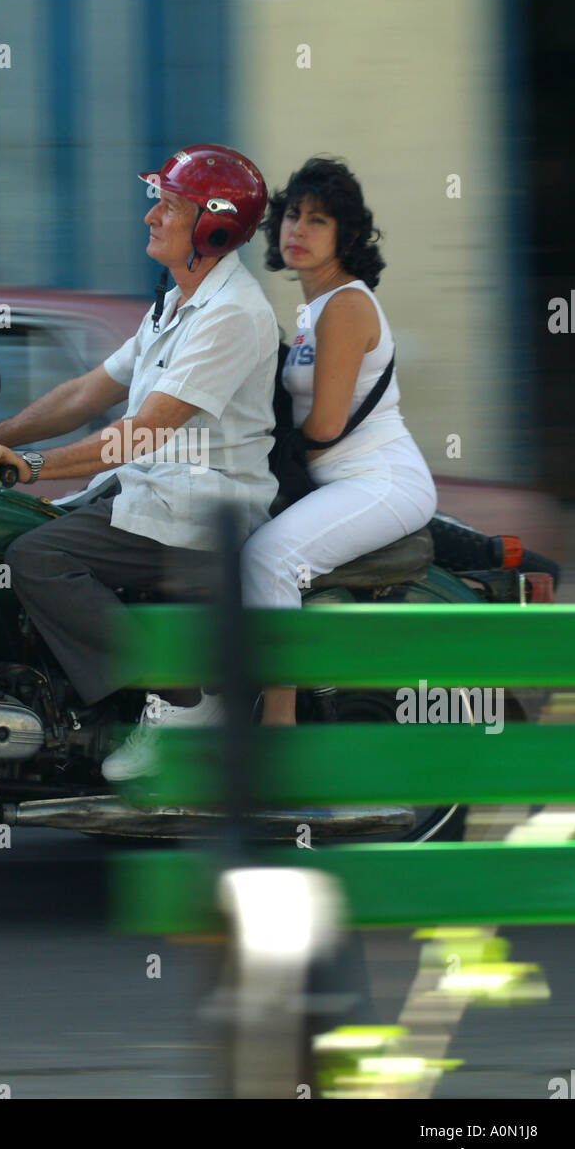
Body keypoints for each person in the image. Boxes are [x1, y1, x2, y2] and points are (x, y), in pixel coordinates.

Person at [0, 144, 279, 779]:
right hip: (149, 495)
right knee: (13, 531)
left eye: (168, 206)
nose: (150, 218)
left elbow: (144, 432)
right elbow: (86, 393)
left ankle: (186, 695)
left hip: (200, 511)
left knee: (39, 558)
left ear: (212, 226)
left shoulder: (232, 316)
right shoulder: (175, 304)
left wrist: (26, 464)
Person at [241, 156, 437, 725]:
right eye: (292, 216)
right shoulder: (314, 309)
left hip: (379, 481)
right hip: (340, 483)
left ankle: (278, 730)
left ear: (345, 234)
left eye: (318, 220)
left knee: (268, 558)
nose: (298, 230)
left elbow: (324, 427)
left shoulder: (346, 305)